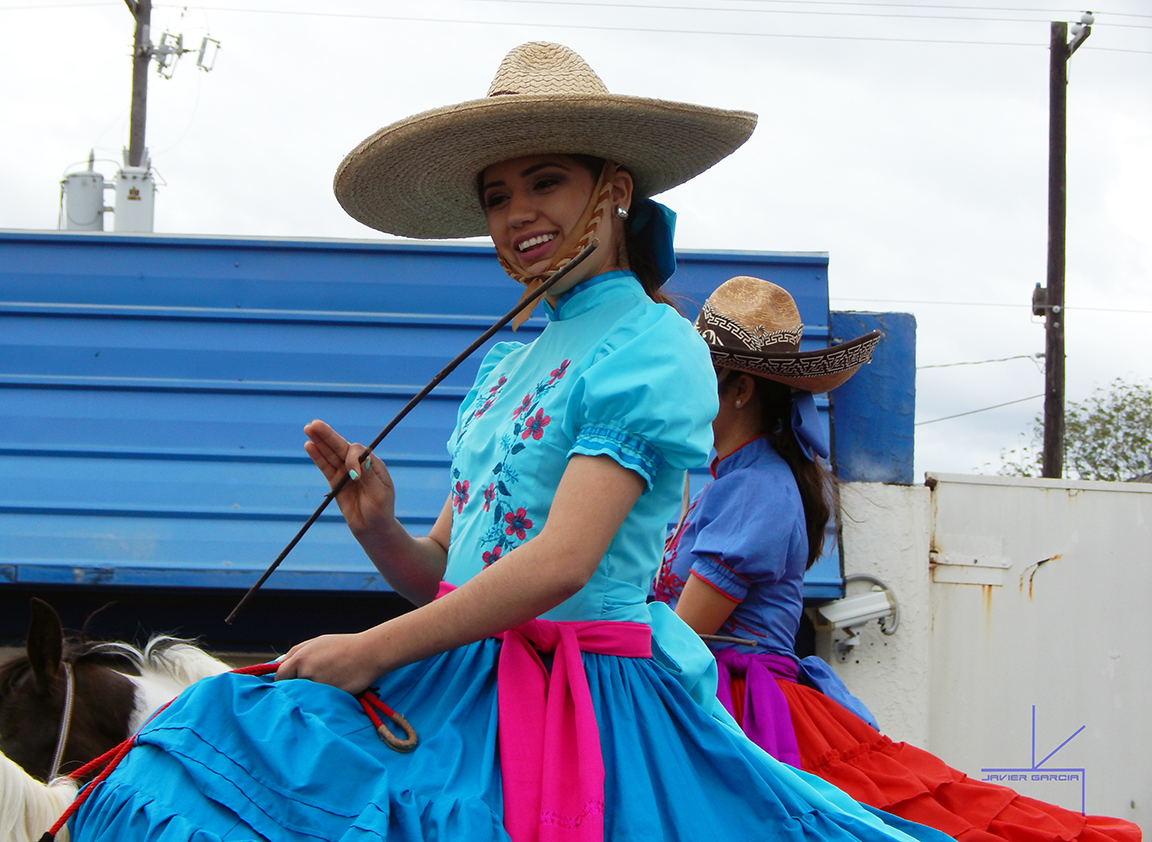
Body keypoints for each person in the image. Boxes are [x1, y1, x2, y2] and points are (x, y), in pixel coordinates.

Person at [66, 42, 951, 842]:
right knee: (199, 745)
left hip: (578, 707)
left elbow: (561, 564)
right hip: (459, 677)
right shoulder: (506, 367)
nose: (517, 211)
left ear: (613, 188)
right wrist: (379, 528)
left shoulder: (654, 344)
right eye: (497, 195)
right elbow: (447, 571)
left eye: (545, 181)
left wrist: (371, 649)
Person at [656, 276, 1141, 842]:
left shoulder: (755, 486)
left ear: (739, 390)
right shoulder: (734, 480)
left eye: (696, 379)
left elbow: (685, 635)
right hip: (721, 690)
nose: (681, 394)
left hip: (739, 704)